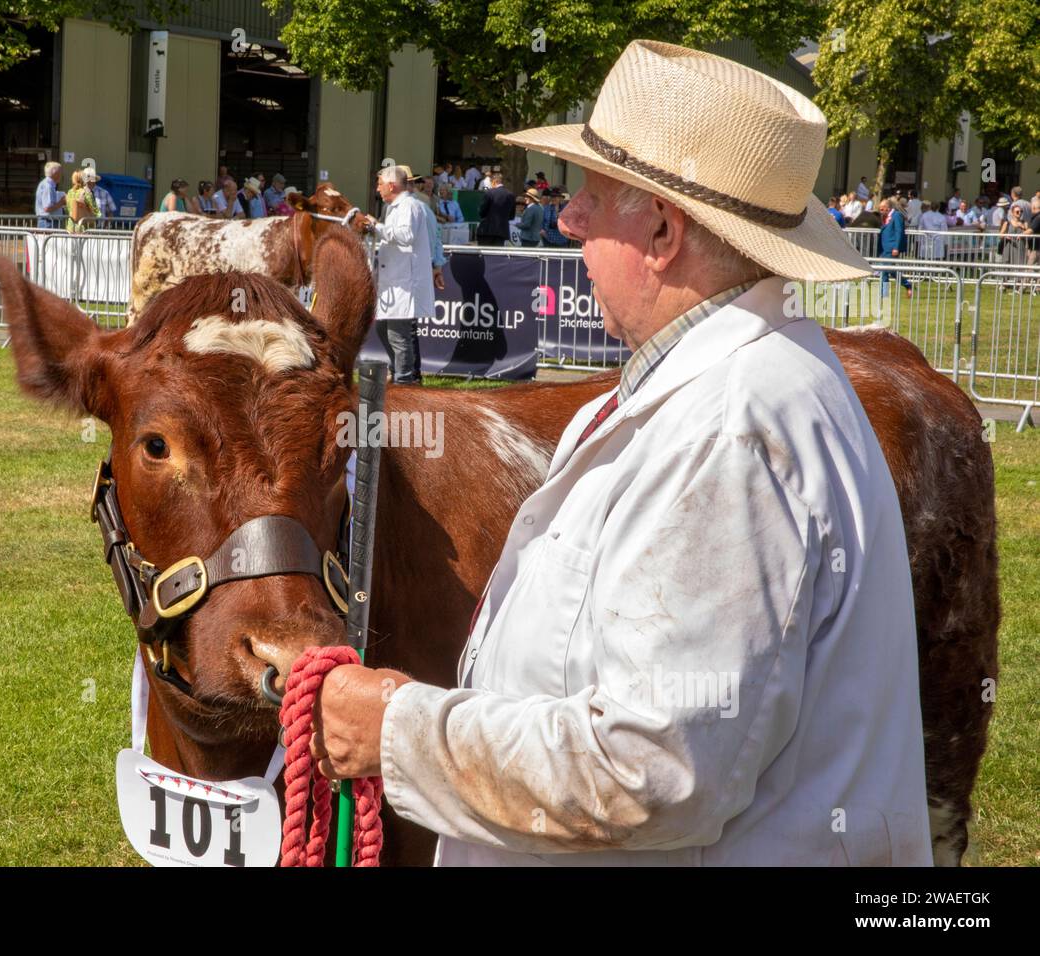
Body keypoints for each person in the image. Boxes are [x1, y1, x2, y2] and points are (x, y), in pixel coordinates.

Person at [306, 40, 932, 868]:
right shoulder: (728, 388)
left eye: (592, 198)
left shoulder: (732, 429)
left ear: (664, 231)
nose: (566, 219)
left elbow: (648, 771)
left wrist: (401, 729)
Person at [363, 164, 436, 384]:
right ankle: (400, 374)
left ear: (391, 185)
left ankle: (404, 381)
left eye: (380, 184)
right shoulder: (397, 206)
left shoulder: (409, 206)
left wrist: (377, 227)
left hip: (405, 282)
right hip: (394, 280)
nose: (378, 189)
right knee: (385, 329)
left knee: (398, 336)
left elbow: (406, 235)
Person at [879, 197, 911, 297]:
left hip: (892, 247)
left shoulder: (896, 215)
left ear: (887, 208)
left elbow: (899, 232)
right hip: (885, 248)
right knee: (886, 270)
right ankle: (885, 293)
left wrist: (896, 247)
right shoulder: (885, 217)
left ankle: (906, 284)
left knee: (887, 270)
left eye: (881, 209)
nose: (880, 211)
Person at [476, 171, 515, 246]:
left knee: (484, 254)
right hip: (502, 231)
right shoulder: (511, 195)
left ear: (494, 181)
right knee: (496, 256)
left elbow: (482, 212)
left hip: (487, 230)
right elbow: (511, 215)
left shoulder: (489, 193)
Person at [65, 169, 99, 233]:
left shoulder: (70, 192)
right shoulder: (87, 192)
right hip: (84, 227)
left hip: (71, 227)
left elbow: (68, 208)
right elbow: (95, 211)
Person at [36, 161, 66, 228]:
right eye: (60, 172)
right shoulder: (48, 186)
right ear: (55, 173)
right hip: (48, 223)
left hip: (47, 221)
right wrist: (61, 202)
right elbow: (47, 208)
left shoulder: (47, 184)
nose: (61, 174)